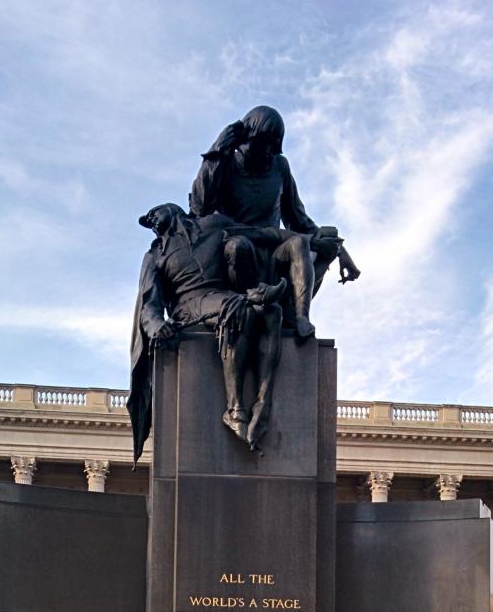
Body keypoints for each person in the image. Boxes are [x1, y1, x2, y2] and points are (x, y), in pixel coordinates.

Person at [128, 203, 289, 461]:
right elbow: (149, 301)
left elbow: (261, 234)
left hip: (221, 293)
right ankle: (235, 408)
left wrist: (306, 240)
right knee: (238, 308)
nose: (152, 221)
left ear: (172, 210)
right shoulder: (155, 255)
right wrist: (157, 325)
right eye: (149, 220)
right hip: (187, 306)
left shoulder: (213, 226)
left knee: (272, 313)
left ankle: (263, 401)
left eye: (154, 214)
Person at [189, 106, 360, 339]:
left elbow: (299, 220)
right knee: (239, 247)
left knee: (300, 243)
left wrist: (339, 249)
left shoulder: (280, 166)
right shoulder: (225, 164)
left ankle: (300, 319)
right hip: (235, 255)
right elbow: (200, 208)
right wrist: (218, 150)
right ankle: (249, 309)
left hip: (273, 251)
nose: (270, 151)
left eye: (275, 144)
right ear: (248, 137)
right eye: (265, 143)